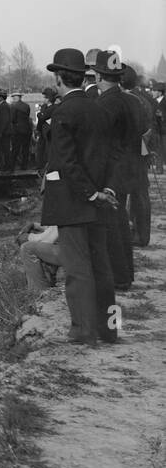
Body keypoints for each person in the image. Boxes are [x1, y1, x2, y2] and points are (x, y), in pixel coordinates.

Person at [39, 48, 117, 345]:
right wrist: (105, 191)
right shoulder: (101, 109)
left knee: (77, 270)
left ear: (58, 78)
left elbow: (66, 162)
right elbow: (112, 156)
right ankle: (110, 329)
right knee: (102, 268)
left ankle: (83, 331)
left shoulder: (63, 113)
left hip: (73, 202)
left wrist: (90, 193)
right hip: (99, 201)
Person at [92, 50, 137, 291]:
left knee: (109, 225)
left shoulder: (104, 103)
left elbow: (100, 143)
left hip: (110, 171)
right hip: (127, 169)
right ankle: (125, 274)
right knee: (120, 223)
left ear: (99, 76)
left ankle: (118, 277)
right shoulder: (128, 100)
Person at [122, 67, 153, 245]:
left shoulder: (130, 100)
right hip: (141, 152)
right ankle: (142, 235)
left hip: (132, 153)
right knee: (140, 194)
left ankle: (138, 235)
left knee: (136, 195)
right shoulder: (143, 99)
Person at [15, 221, 62, 293]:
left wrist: (28, 237)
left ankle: (41, 292)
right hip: (78, 246)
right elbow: (56, 227)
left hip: (75, 252)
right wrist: (35, 225)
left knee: (27, 248)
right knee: (40, 246)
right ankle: (49, 280)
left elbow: (47, 240)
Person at [34, 86, 59, 173]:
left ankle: (47, 166)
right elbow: (41, 118)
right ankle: (40, 165)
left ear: (49, 98)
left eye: (45, 97)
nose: (43, 99)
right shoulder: (44, 106)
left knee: (47, 150)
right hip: (42, 131)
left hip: (48, 132)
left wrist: (40, 114)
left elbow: (42, 116)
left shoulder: (54, 107)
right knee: (40, 149)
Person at [8, 91, 32, 171]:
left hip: (17, 131)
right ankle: (24, 166)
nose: (13, 98)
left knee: (15, 149)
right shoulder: (26, 106)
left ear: (16, 97)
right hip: (27, 130)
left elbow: (12, 119)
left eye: (14, 97)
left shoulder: (13, 106)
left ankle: (12, 167)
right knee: (25, 149)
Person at [0, 89, 12, 172]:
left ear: (1, 97)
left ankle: (6, 167)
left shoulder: (3, 106)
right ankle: (6, 167)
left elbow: (4, 120)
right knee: (5, 150)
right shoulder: (4, 105)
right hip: (5, 132)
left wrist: (0, 132)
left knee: (5, 151)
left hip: (4, 133)